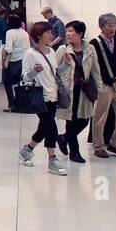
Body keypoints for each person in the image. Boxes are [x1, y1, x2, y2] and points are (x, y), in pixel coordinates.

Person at [18, 21, 67, 175]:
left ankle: (27, 149)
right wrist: (34, 71)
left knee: (44, 127)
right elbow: (24, 76)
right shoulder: (30, 54)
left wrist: (66, 64)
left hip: (54, 95)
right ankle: (52, 160)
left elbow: (56, 72)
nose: (51, 35)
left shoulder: (51, 52)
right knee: (51, 127)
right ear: (39, 35)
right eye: (48, 33)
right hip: (40, 97)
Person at [54, 20, 101, 163]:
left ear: (80, 34)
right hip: (69, 91)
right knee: (71, 120)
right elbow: (54, 70)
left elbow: (95, 69)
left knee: (85, 120)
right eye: (67, 31)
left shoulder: (90, 49)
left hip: (85, 90)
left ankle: (63, 138)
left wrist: (99, 87)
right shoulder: (63, 50)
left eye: (71, 31)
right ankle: (74, 152)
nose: (68, 34)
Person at [89, 13, 116, 158]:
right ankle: (98, 146)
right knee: (100, 117)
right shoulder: (94, 43)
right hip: (104, 85)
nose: (113, 28)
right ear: (101, 26)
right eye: (109, 25)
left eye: (114, 25)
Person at [0, 14, 29, 110]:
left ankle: (11, 104)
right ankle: (21, 103)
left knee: (7, 81)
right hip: (24, 59)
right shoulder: (24, 33)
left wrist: (3, 51)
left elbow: (9, 49)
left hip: (14, 59)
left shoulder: (10, 32)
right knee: (20, 81)